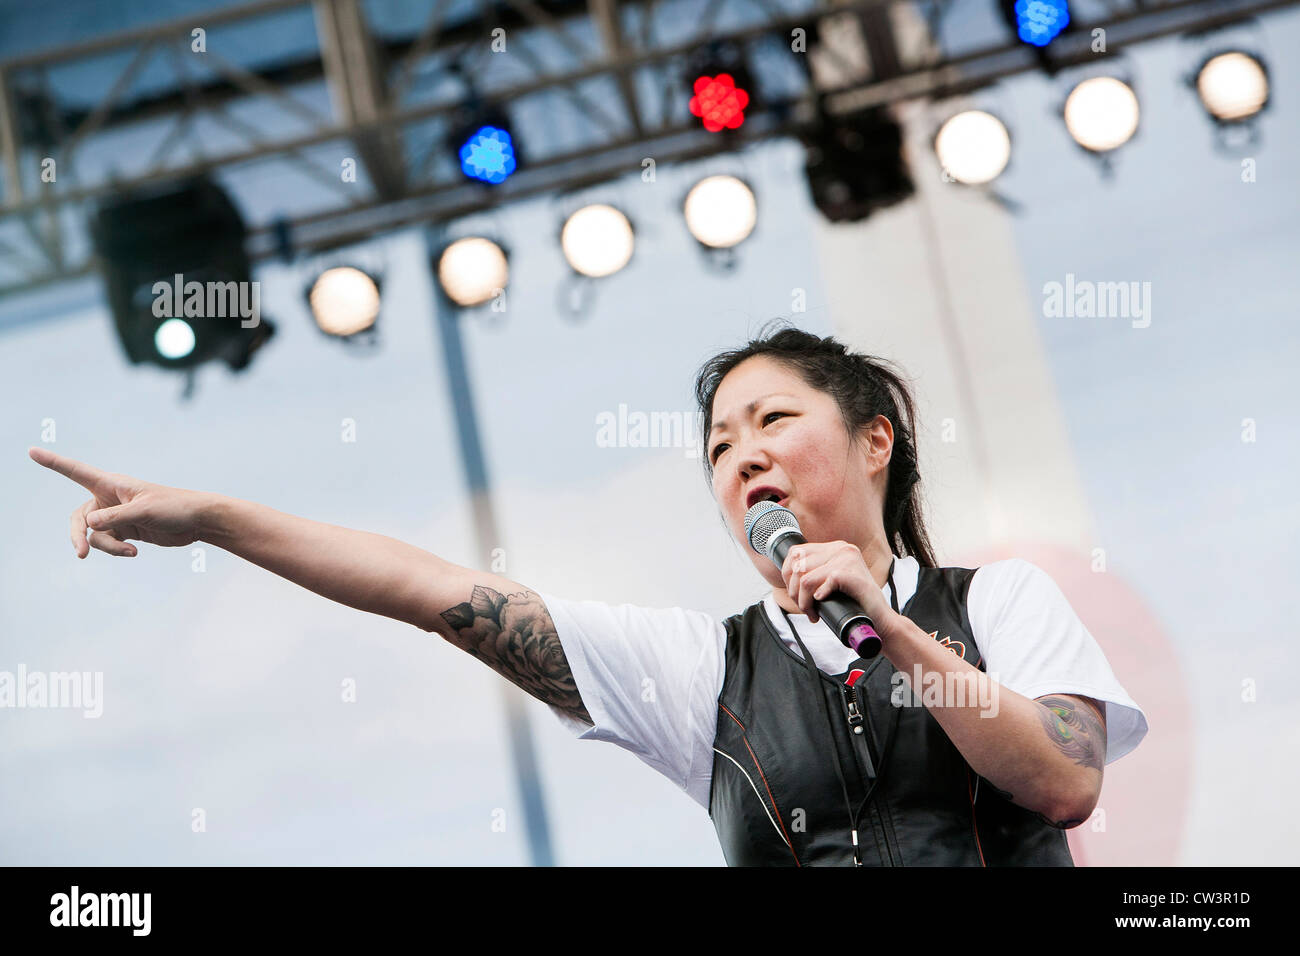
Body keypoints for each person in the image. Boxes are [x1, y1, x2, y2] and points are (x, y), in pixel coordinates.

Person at [30, 322, 1146, 866]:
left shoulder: (994, 604)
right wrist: (217, 519)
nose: (741, 456)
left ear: (873, 441)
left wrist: (890, 628)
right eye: (717, 446)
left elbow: (1062, 781)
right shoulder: (705, 672)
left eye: (771, 421)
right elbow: (432, 587)